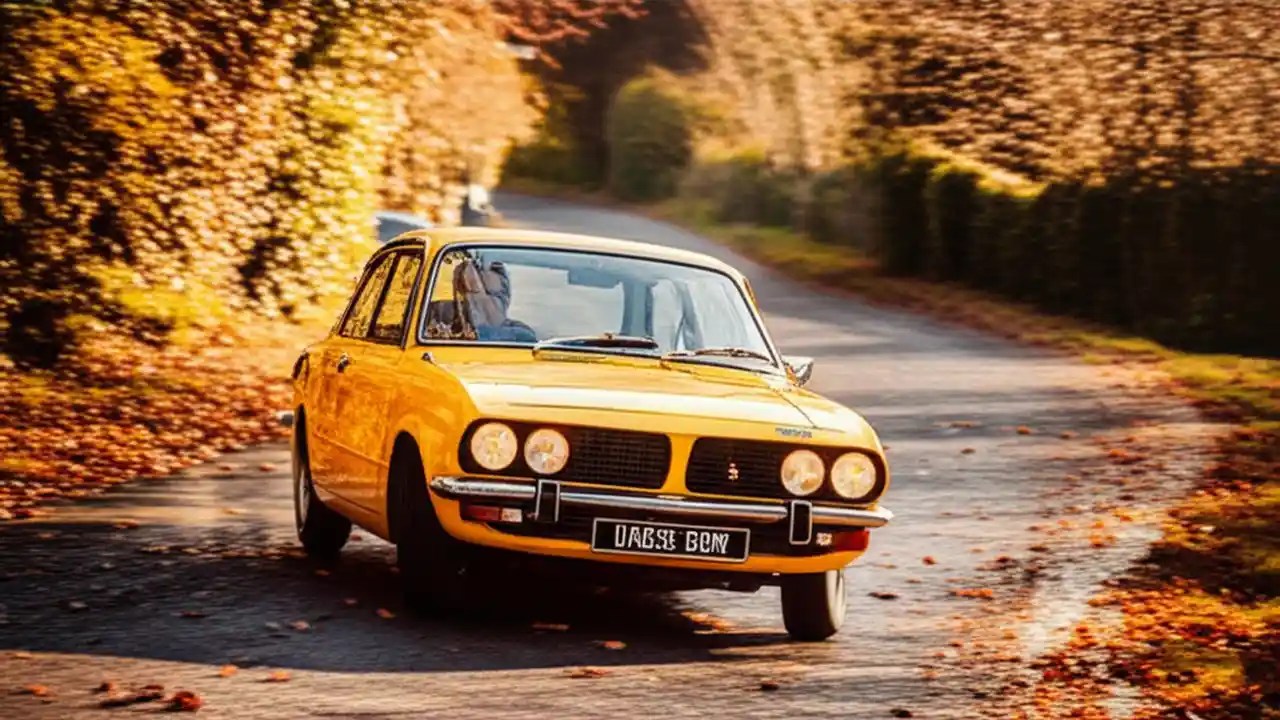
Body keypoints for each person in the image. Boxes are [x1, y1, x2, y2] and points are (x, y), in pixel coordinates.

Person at [452, 259, 537, 342]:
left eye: (493, 295)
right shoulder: (453, 326)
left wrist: (478, 335)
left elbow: (525, 336)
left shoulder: (521, 333)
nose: (485, 303)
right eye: (471, 293)